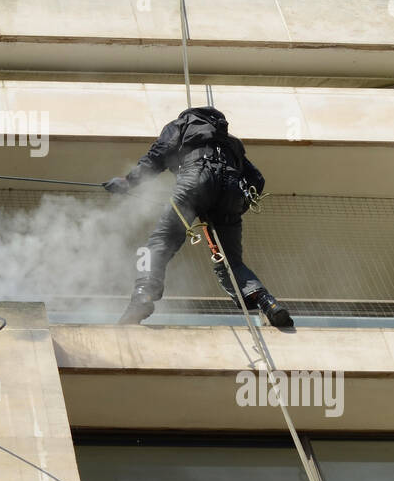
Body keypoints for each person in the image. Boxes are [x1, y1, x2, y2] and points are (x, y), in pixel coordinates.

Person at [104, 105, 293, 328]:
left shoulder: (181, 125)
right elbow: (257, 179)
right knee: (231, 262)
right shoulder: (230, 141)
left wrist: (129, 182)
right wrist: (233, 209)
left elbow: (158, 155)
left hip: (195, 179)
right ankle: (268, 303)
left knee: (157, 244)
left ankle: (142, 298)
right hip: (231, 192)